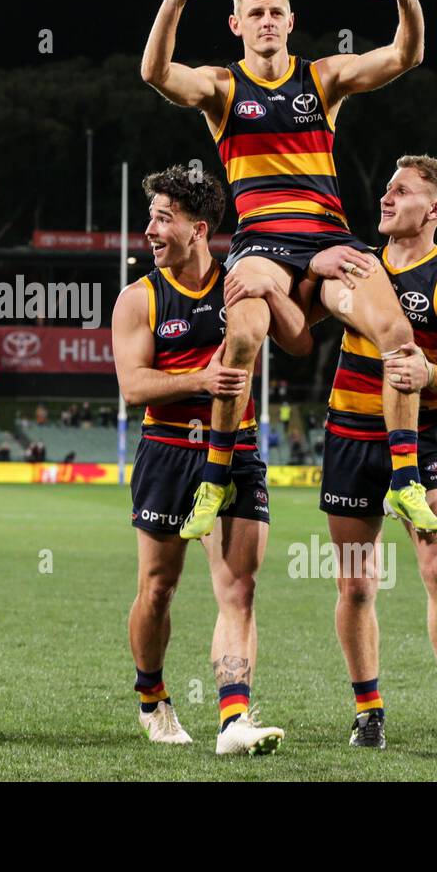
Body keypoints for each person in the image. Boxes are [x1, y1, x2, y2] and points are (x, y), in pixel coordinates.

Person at [140, 0, 437, 541]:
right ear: (236, 25)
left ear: (291, 20)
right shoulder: (223, 88)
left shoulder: (322, 79)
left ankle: (406, 481)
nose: (267, 21)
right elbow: (156, 74)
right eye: (255, 13)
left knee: (397, 335)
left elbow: (405, 56)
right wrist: (173, 1)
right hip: (261, 245)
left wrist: (408, 2)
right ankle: (216, 477)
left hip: (330, 239)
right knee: (243, 336)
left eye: (276, 12)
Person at [260, 155, 437, 750]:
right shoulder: (356, 265)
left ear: (434, 209)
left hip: (419, 440)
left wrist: (431, 373)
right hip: (348, 440)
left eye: (402, 191)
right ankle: (368, 711)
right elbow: (297, 335)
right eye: (387, 188)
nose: (386, 198)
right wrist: (270, 285)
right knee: (357, 585)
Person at [111, 164, 304, 755]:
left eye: (162, 218)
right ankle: (152, 699)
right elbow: (133, 387)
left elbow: (300, 341)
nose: (150, 230)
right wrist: (201, 378)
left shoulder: (240, 286)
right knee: (158, 589)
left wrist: (274, 290)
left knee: (238, 589)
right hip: (167, 452)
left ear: (199, 229)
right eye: (150, 217)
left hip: (237, 450)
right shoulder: (138, 298)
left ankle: (233, 718)